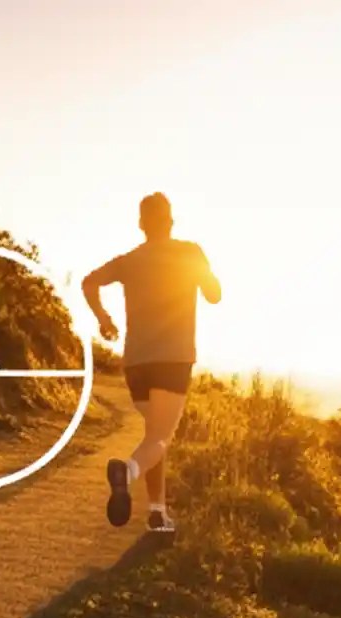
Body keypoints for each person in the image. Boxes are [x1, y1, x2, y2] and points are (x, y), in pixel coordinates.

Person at [81, 192, 221, 532]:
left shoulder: (130, 260)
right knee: (161, 437)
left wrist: (103, 319)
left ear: (141, 224)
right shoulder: (189, 252)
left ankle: (157, 513)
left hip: (137, 364)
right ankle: (126, 472)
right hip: (173, 359)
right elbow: (214, 295)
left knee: (153, 436)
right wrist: (201, 272)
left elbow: (89, 282)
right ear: (170, 221)